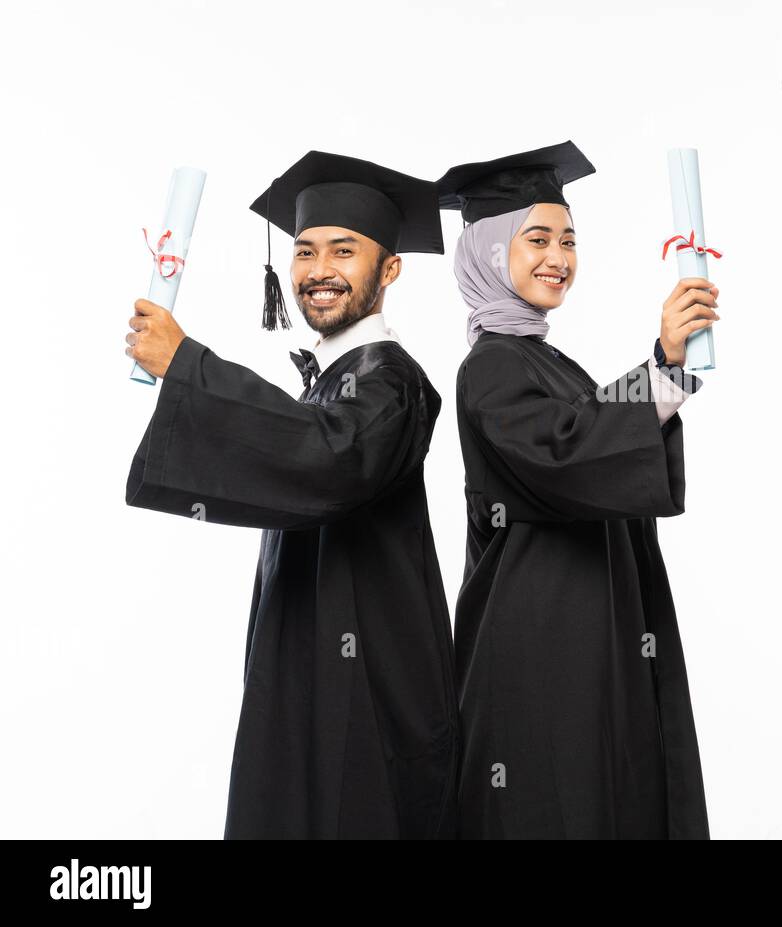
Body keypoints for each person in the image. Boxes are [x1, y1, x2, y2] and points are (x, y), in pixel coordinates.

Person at [123, 151, 458, 838]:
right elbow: (297, 439)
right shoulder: (331, 382)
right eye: (305, 252)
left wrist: (189, 365)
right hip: (306, 680)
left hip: (368, 696)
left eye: (344, 249)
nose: (318, 270)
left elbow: (328, 455)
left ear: (389, 269)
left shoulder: (391, 382)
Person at [437, 141, 714, 838]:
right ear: (489, 251)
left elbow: (583, 421)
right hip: (537, 648)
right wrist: (661, 367)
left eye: (568, 239)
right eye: (536, 238)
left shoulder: (542, 358)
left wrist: (666, 370)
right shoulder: (490, 367)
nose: (558, 256)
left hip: (585, 635)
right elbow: (564, 448)